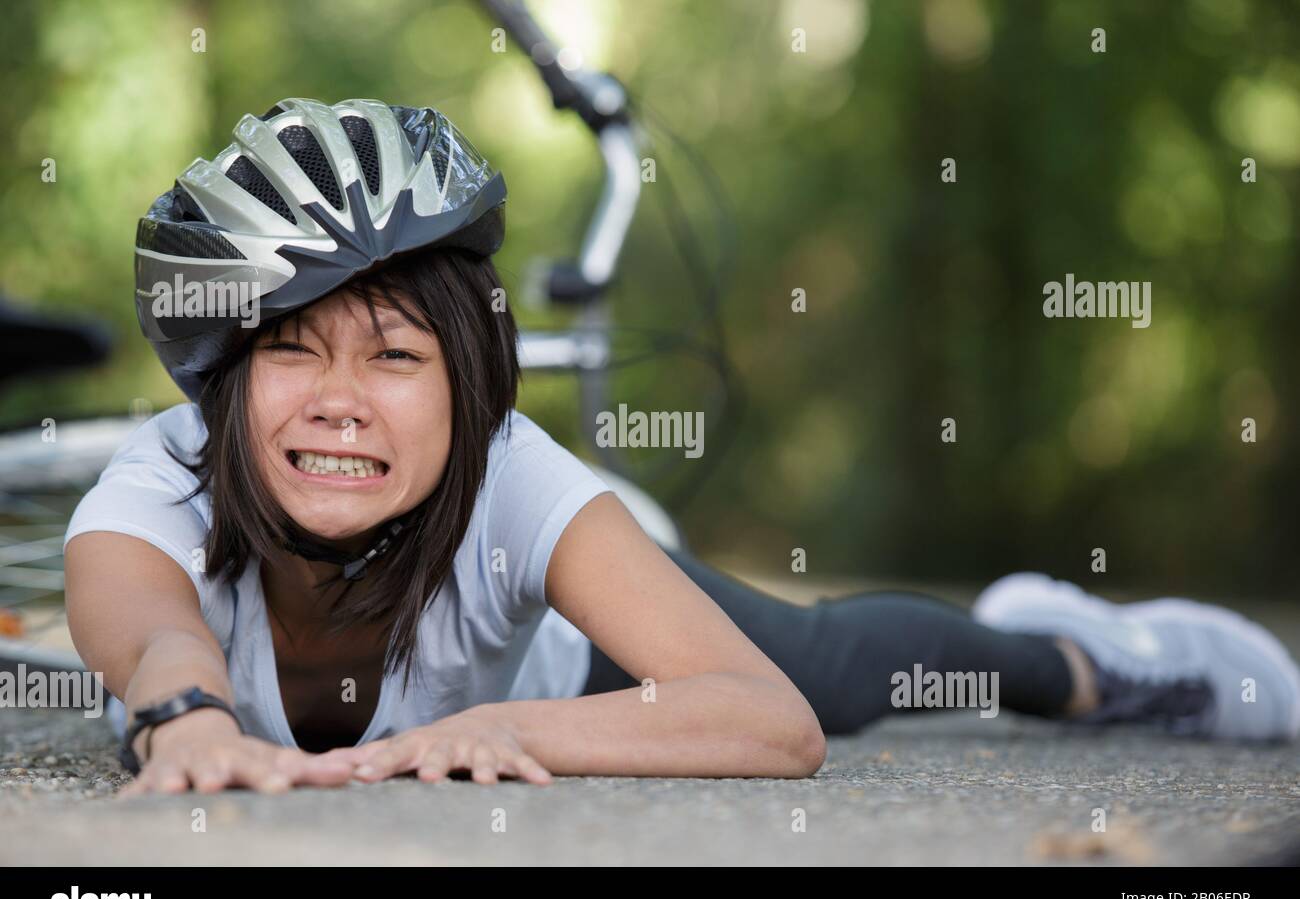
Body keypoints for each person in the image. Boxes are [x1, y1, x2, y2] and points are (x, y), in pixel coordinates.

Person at [63, 98, 1300, 796]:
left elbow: (771, 719)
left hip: (578, 665)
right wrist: (190, 724)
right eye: (292, 352)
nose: (339, 400)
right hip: (406, 666)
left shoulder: (507, 473)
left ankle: (1085, 655)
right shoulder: (157, 481)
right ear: (224, 380)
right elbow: (156, 633)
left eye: (394, 355)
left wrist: (509, 734)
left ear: (470, 384)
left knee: (832, 660)